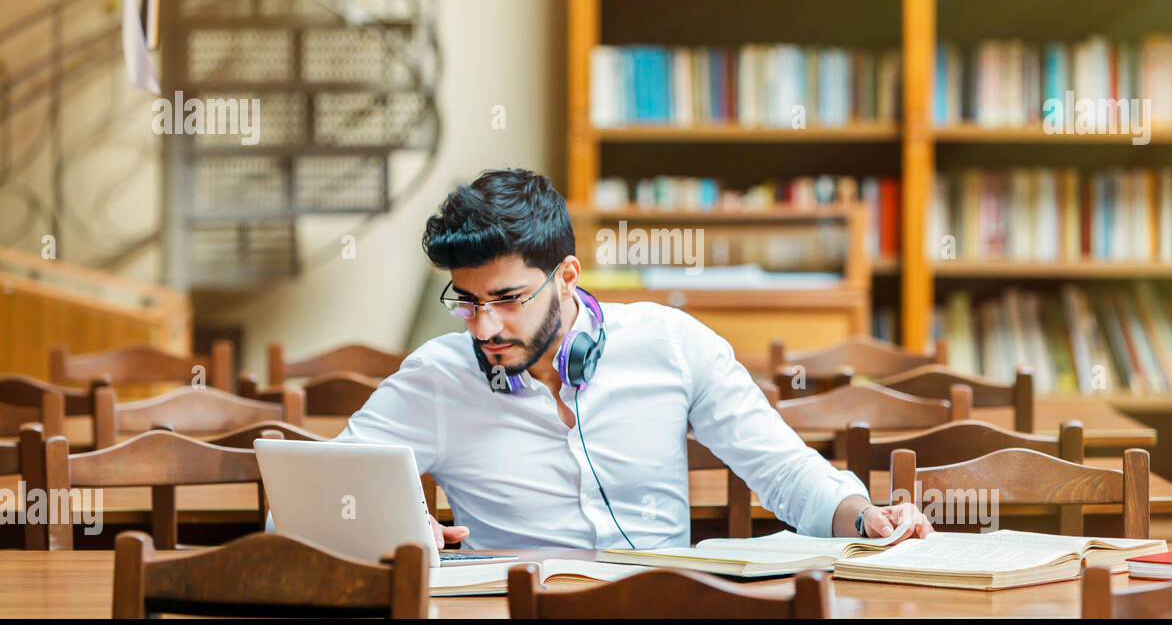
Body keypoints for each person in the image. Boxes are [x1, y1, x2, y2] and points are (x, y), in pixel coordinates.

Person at [332, 168, 933, 549]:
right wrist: (387, 527)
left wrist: (863, 517)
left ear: (567, 276)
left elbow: (785, 472)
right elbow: (313, 504)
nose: (484, 326)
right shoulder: (437, 377)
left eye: (508, 299)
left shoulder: (671, 344)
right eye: (467, 302)